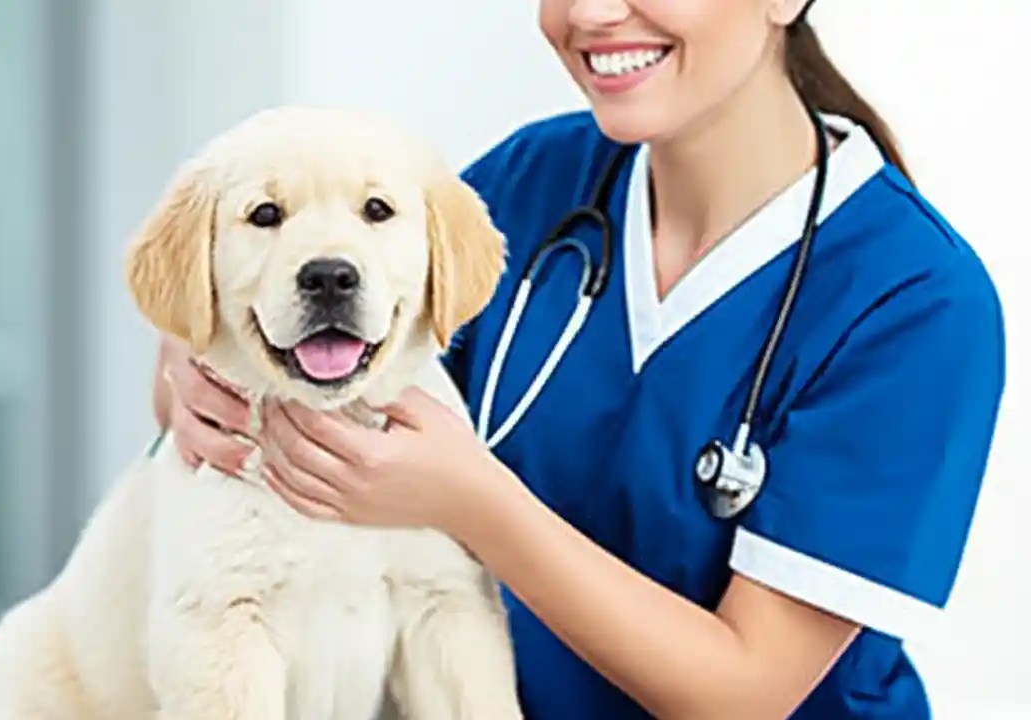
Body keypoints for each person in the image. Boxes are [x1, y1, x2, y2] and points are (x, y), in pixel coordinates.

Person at [154, 1, 1006, 717]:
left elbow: (745, 692)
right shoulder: (533, 184)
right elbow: (322, 310)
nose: (590, 13)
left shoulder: (912, 298)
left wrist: (474, 502)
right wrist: (194, 358)